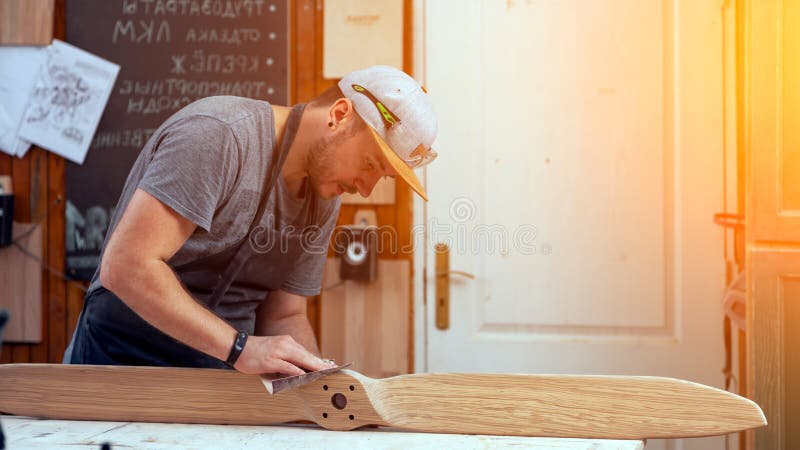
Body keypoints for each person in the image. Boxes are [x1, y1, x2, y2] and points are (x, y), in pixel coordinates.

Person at [63, 65, 438, 375]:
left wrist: (316, 384)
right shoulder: (218, 135)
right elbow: (126, 265)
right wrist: (240, 348)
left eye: (382, 178)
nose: (366, 189)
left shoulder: (324, 197)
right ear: (339, 115)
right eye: (370, 164)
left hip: (221, 382)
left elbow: (284, 313)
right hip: (118, 366)